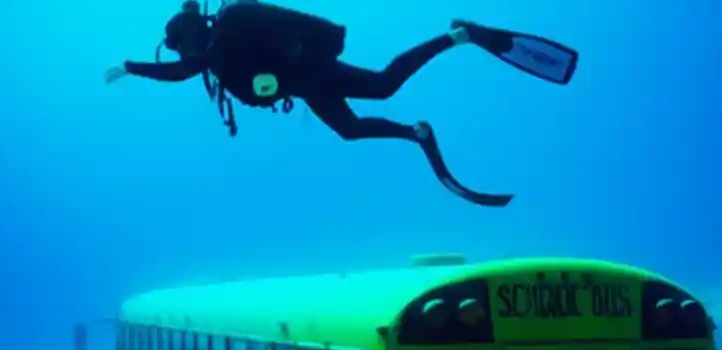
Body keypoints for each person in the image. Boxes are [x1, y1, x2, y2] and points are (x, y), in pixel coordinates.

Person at [105, 1, 578, 207]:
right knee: (355, 123)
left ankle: (458, 37)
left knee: (384, 85)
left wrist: (130, 66)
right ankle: (418, 131)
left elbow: (183, 70)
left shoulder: (221, 42)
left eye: (182, 45)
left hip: (312, 75)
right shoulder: (217, 48)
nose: (186, 53)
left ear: (190, 38)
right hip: (307, 84)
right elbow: (191, 68)